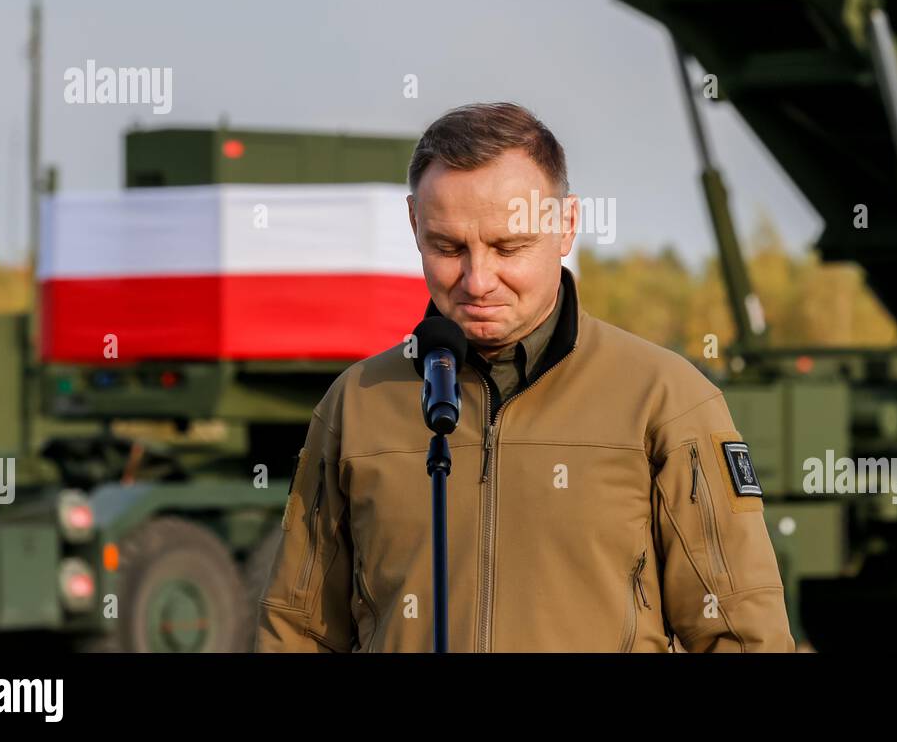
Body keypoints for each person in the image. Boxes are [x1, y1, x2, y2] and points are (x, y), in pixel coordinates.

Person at [255, 102, 796, 652]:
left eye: (507, 246)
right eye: (448, 247)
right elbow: (298, 634)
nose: (477, 279)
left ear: (566, 226)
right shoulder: (356, 405)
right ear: (414, 223)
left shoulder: (668, 400)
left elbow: (741, 634)